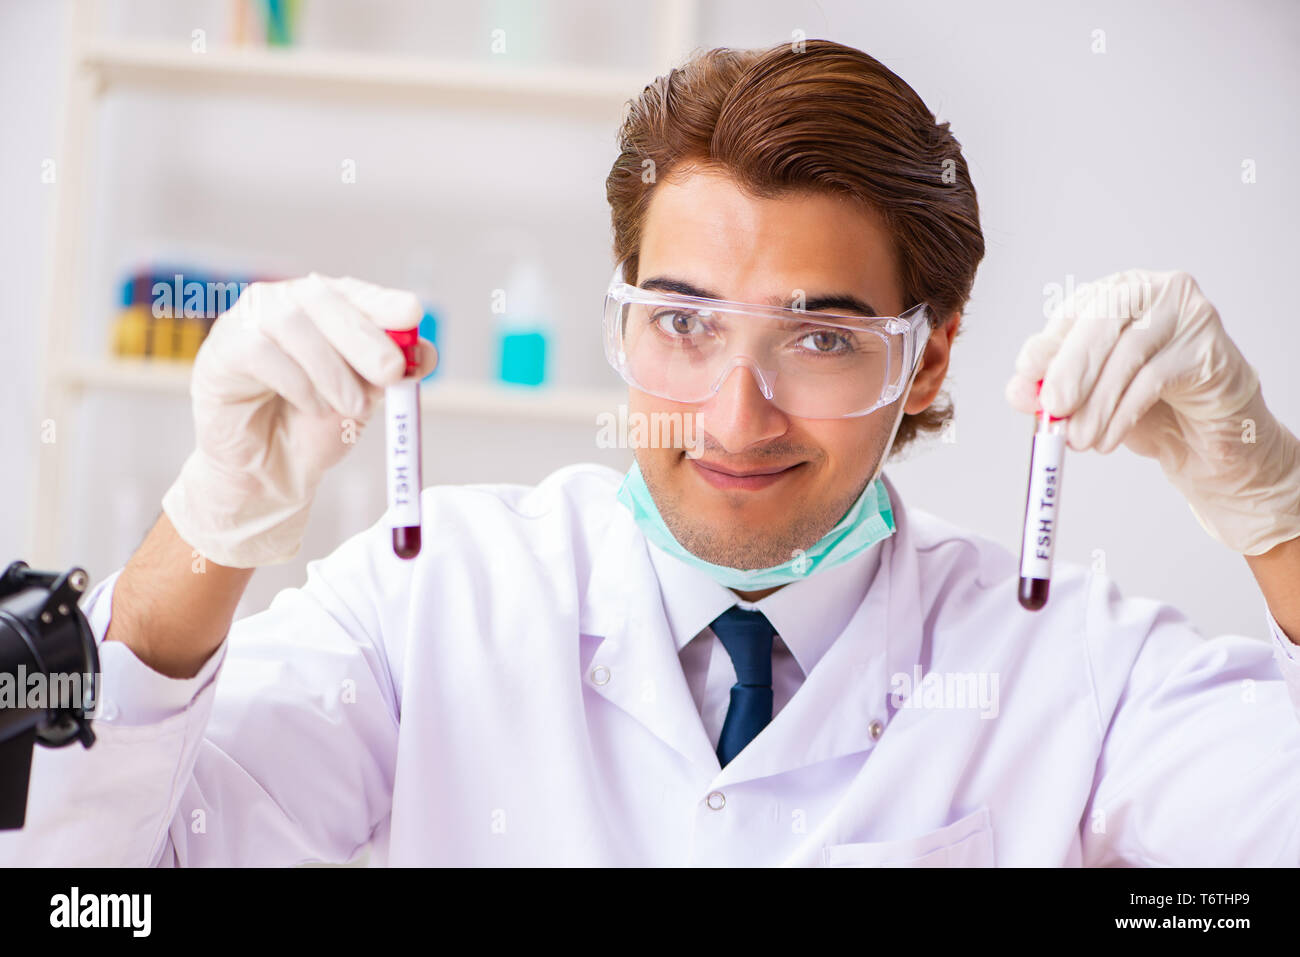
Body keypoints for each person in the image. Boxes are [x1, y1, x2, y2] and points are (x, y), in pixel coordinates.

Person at [5, 39, 1299, 867]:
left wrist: (1275, 510)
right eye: (682, 323)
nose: (734, 416)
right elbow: (88, 879)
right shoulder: (434, 595)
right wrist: (208, 528)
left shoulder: (1071, 665)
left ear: (932, 358)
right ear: (620, 313)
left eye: (822, 340)